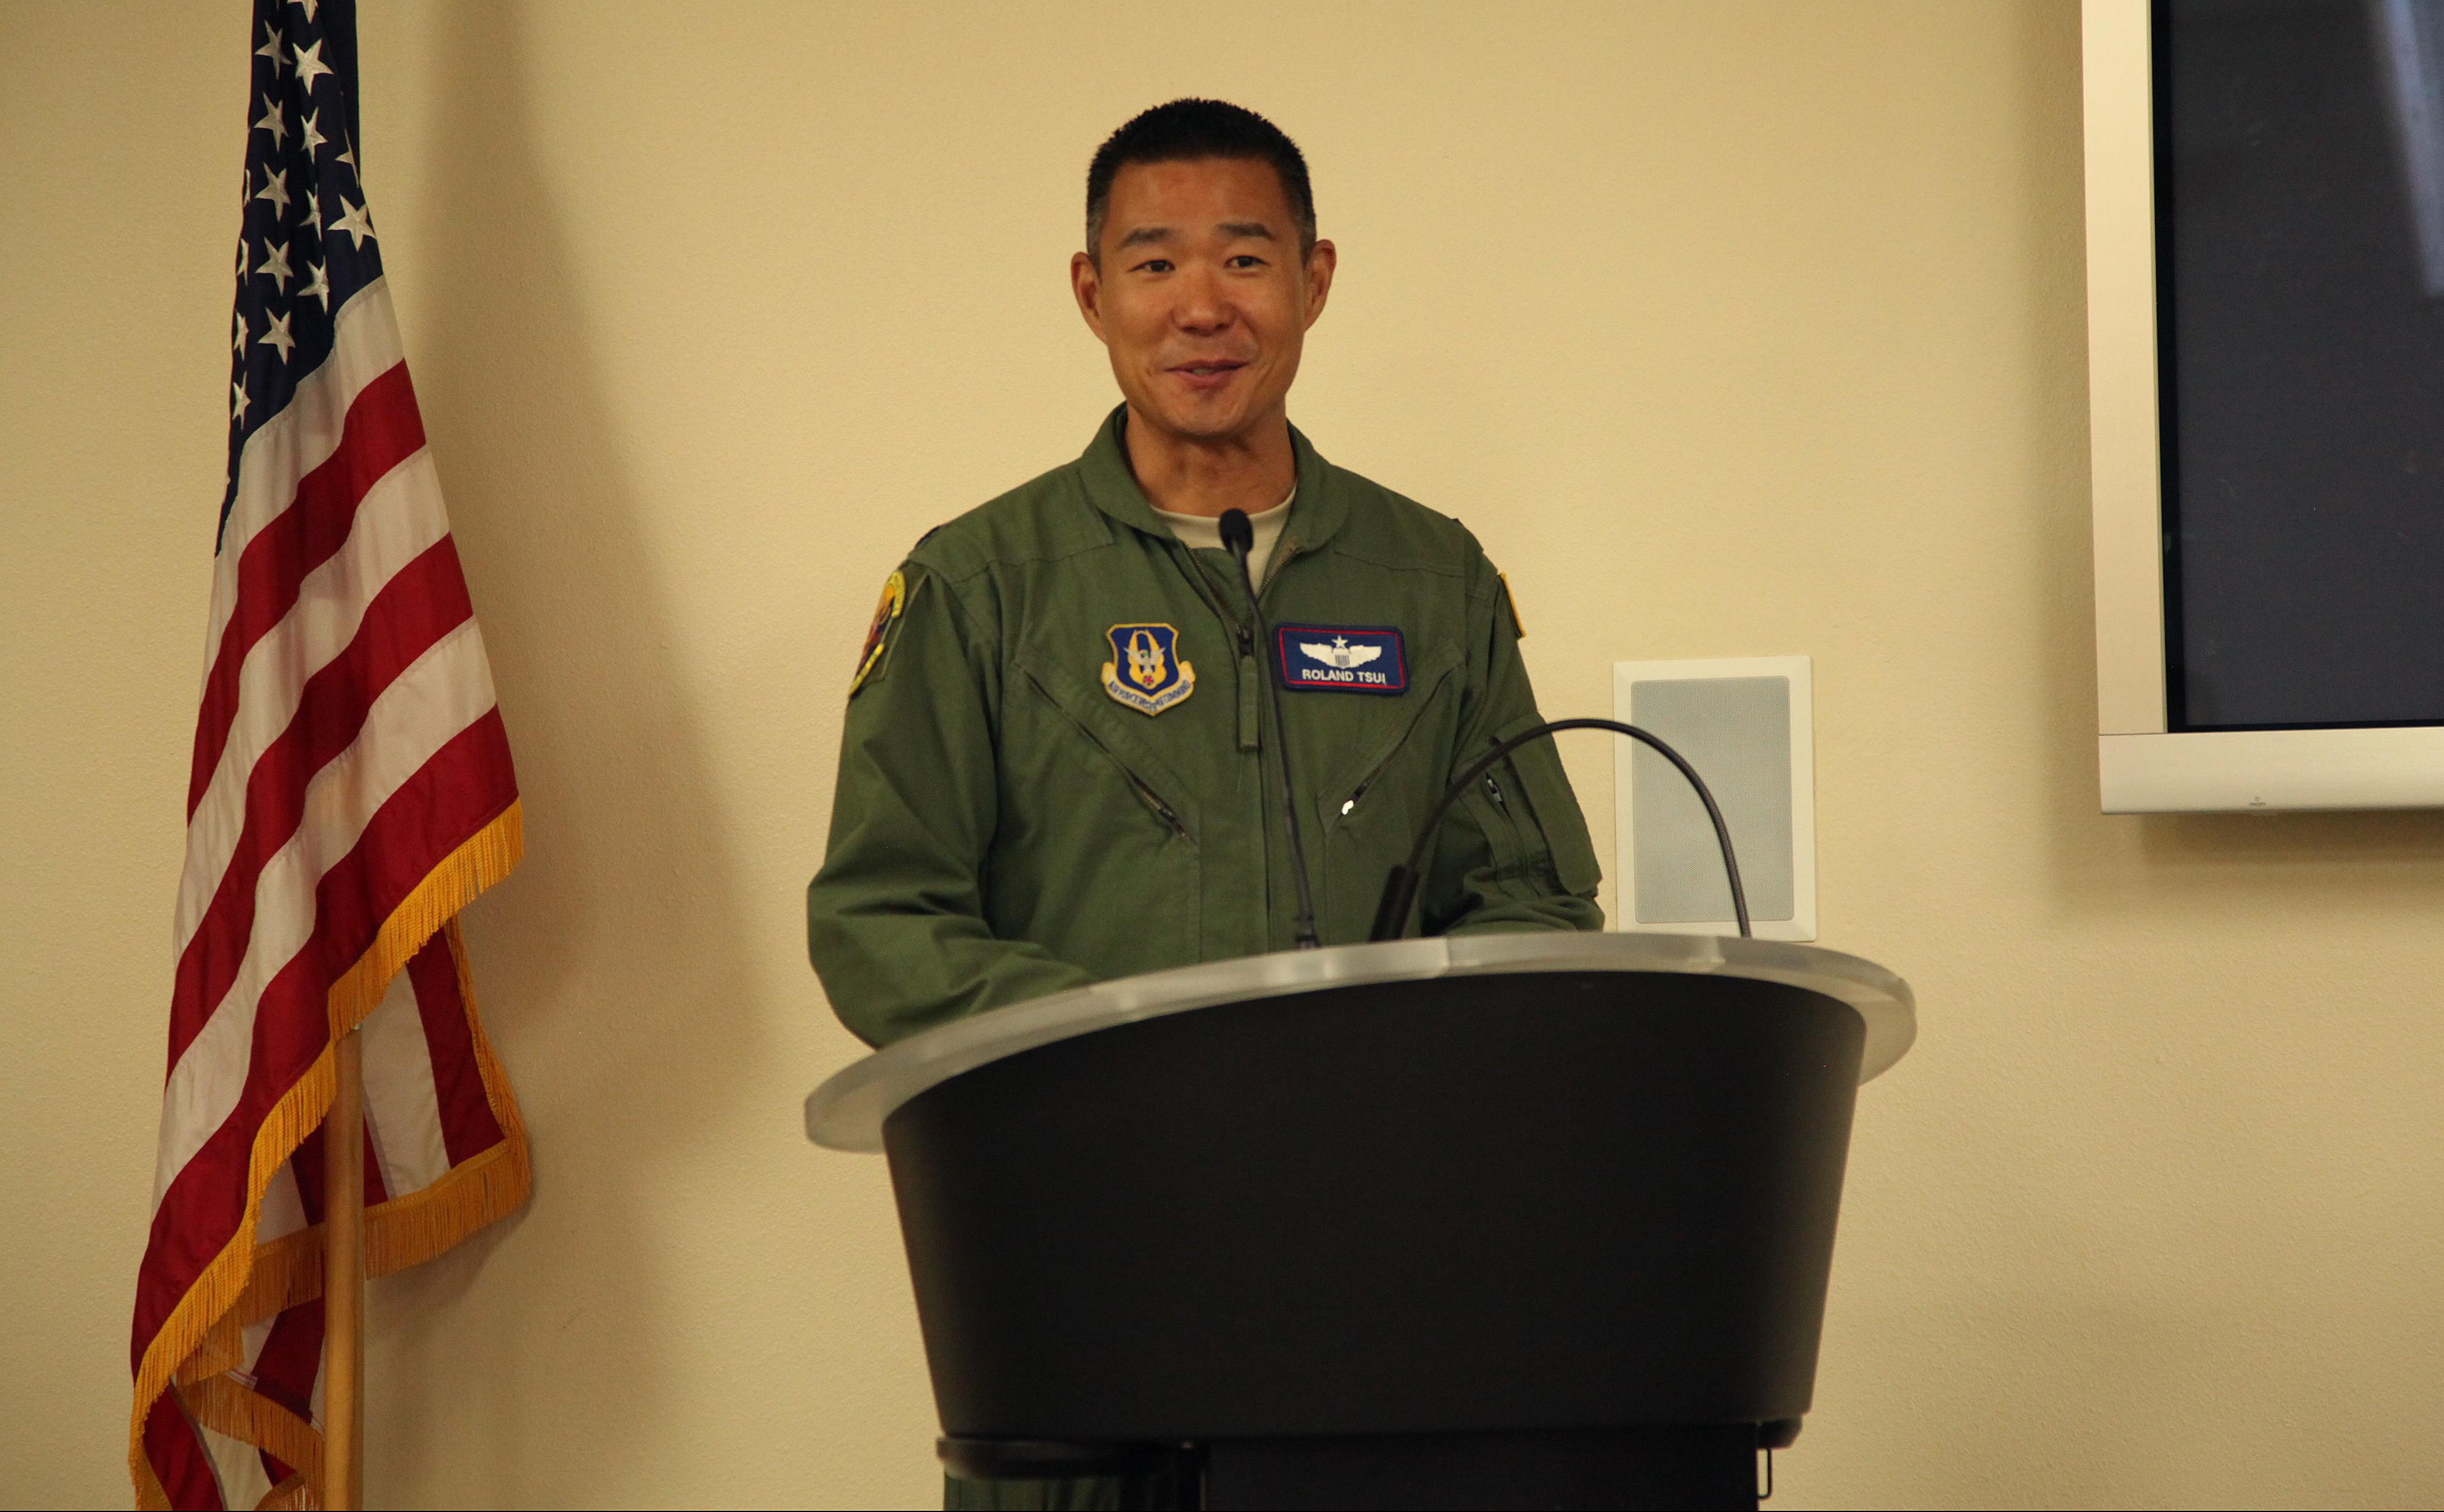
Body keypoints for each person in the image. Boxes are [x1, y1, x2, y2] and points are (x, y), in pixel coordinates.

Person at [806, 98, 1603, 1511]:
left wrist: (1400, 1087)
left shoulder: (1434, 580)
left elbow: (1534, 900)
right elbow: (881, 915)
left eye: (1244, 258)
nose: (1200, 308)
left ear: (1314, 278)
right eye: (1154, 261)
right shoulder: (982, 585)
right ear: (1090, 290)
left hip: (1386, 1268)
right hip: (1083, 1264)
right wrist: (1122, 1063)